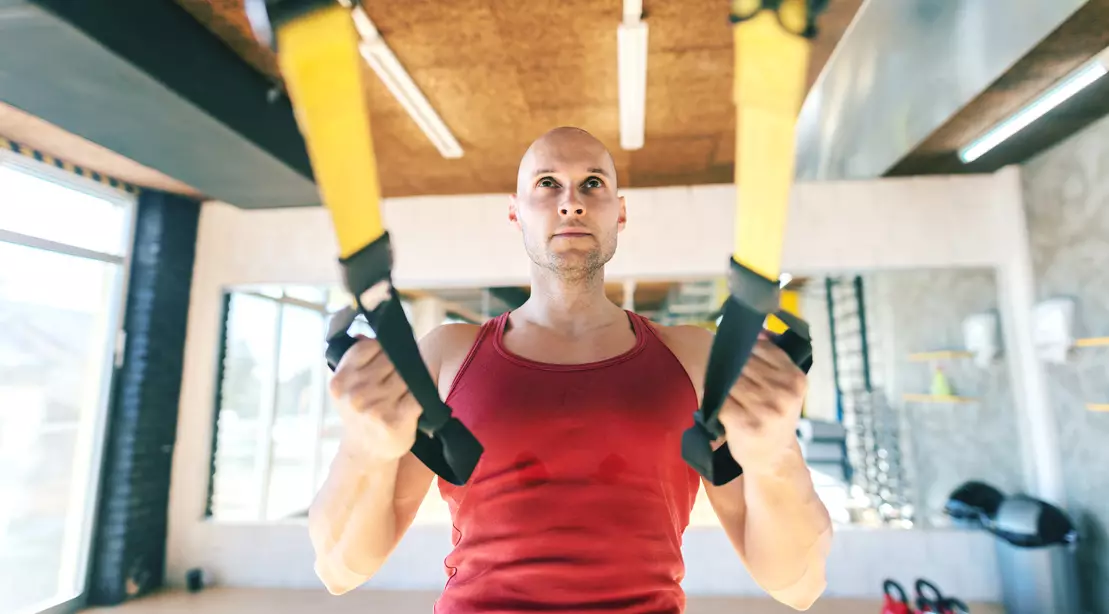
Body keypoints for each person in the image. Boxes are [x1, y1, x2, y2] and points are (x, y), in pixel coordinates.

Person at [308, 127, 833, 613]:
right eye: (547, 184)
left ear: (619, 212)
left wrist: (775, 455)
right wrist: (364, 451)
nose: (572, 201)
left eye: (592, 183)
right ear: (515, 212)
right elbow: (340, 569)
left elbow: (798, 583)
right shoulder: (448, 355)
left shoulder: (697, 359)